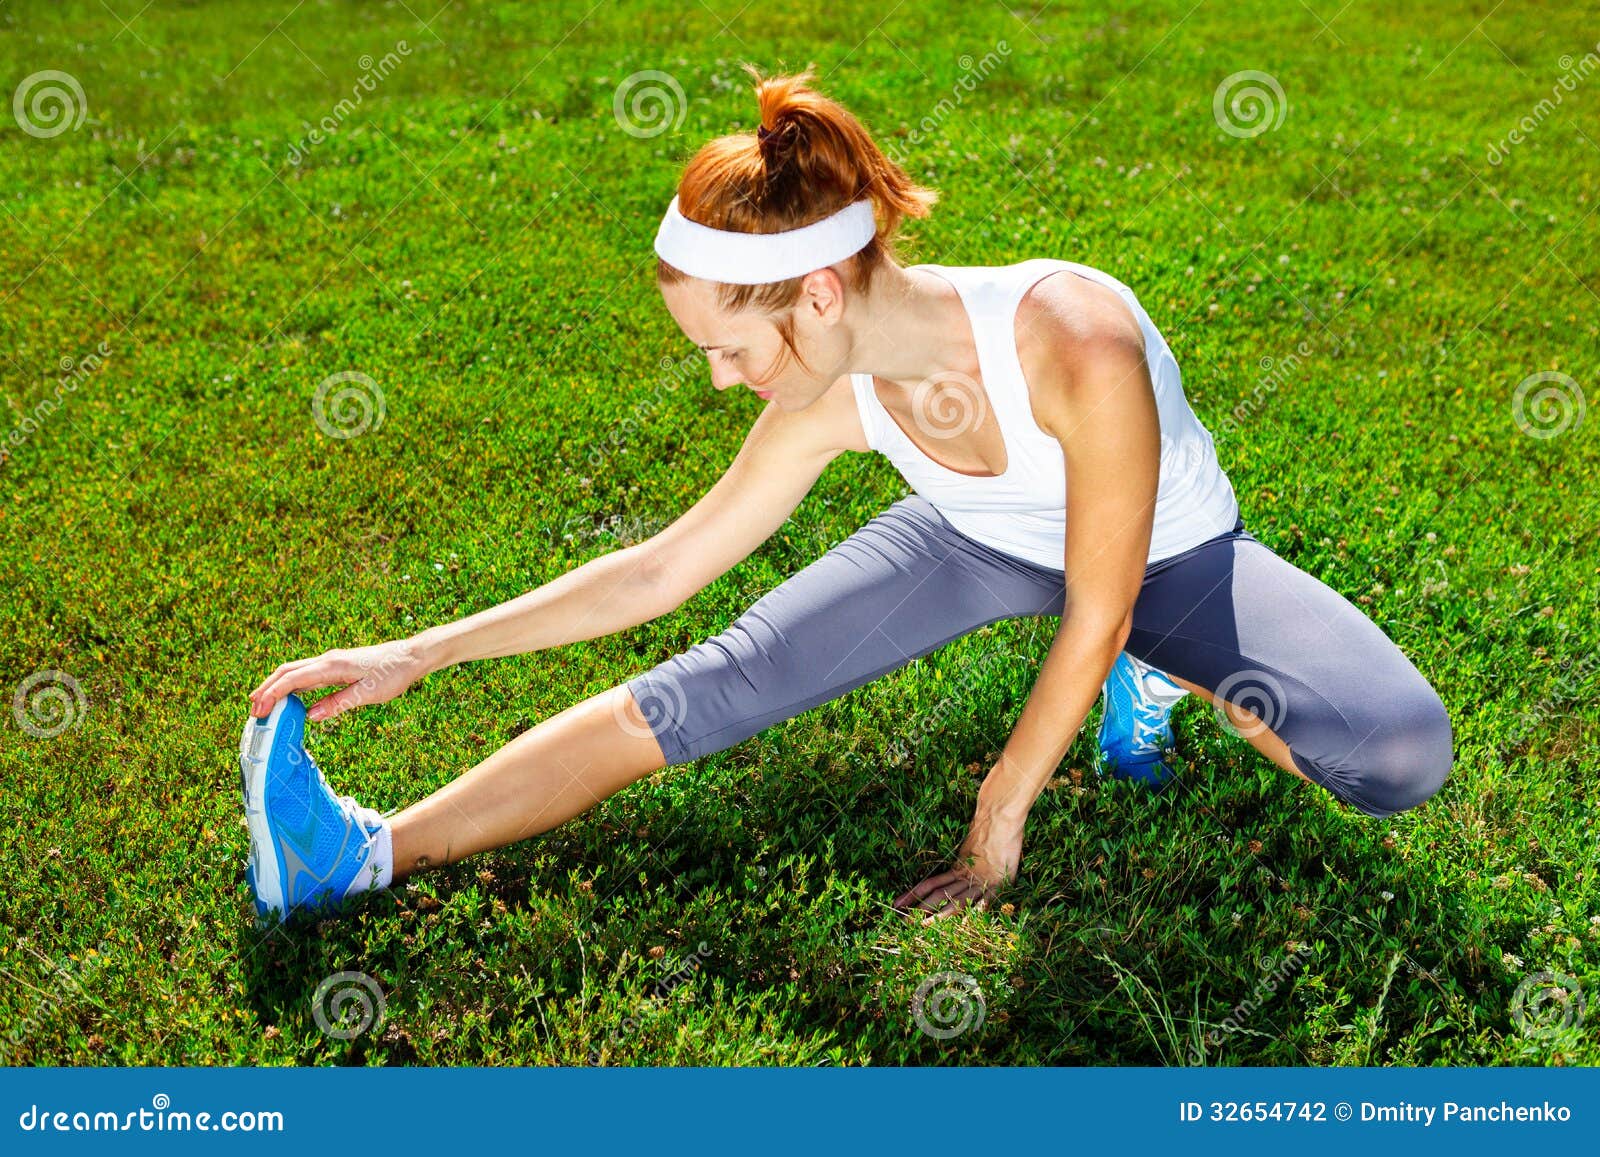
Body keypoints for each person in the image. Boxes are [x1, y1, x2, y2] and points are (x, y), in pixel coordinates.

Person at [241, 66, 1453, 927]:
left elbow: (1098, 606)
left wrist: (999, 810)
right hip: (974, 539)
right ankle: (360, 853)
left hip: (1162, 559)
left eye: (731, 349)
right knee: (712, 682)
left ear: (818, 294)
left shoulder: (1073, 340)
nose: (723, 381)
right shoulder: (828, 391)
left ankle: (1165, 674)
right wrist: (419, 650)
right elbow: (662, 569)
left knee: (1396, 751)